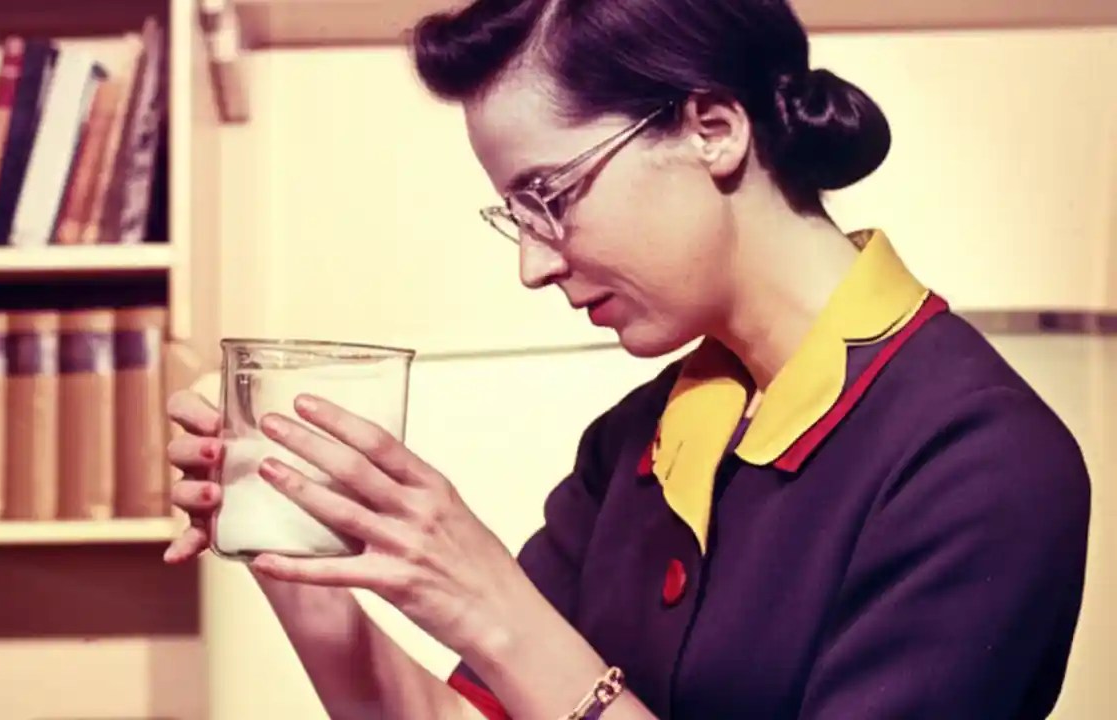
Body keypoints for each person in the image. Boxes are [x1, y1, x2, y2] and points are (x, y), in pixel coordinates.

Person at [163, 0, 1092, 717]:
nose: (532, 264)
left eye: (550, 196)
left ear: (712, 129)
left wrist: (494, 602)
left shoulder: (985, 464)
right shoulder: (637, 442)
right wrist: (295, 544)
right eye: (515, 217)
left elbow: (532, 660)